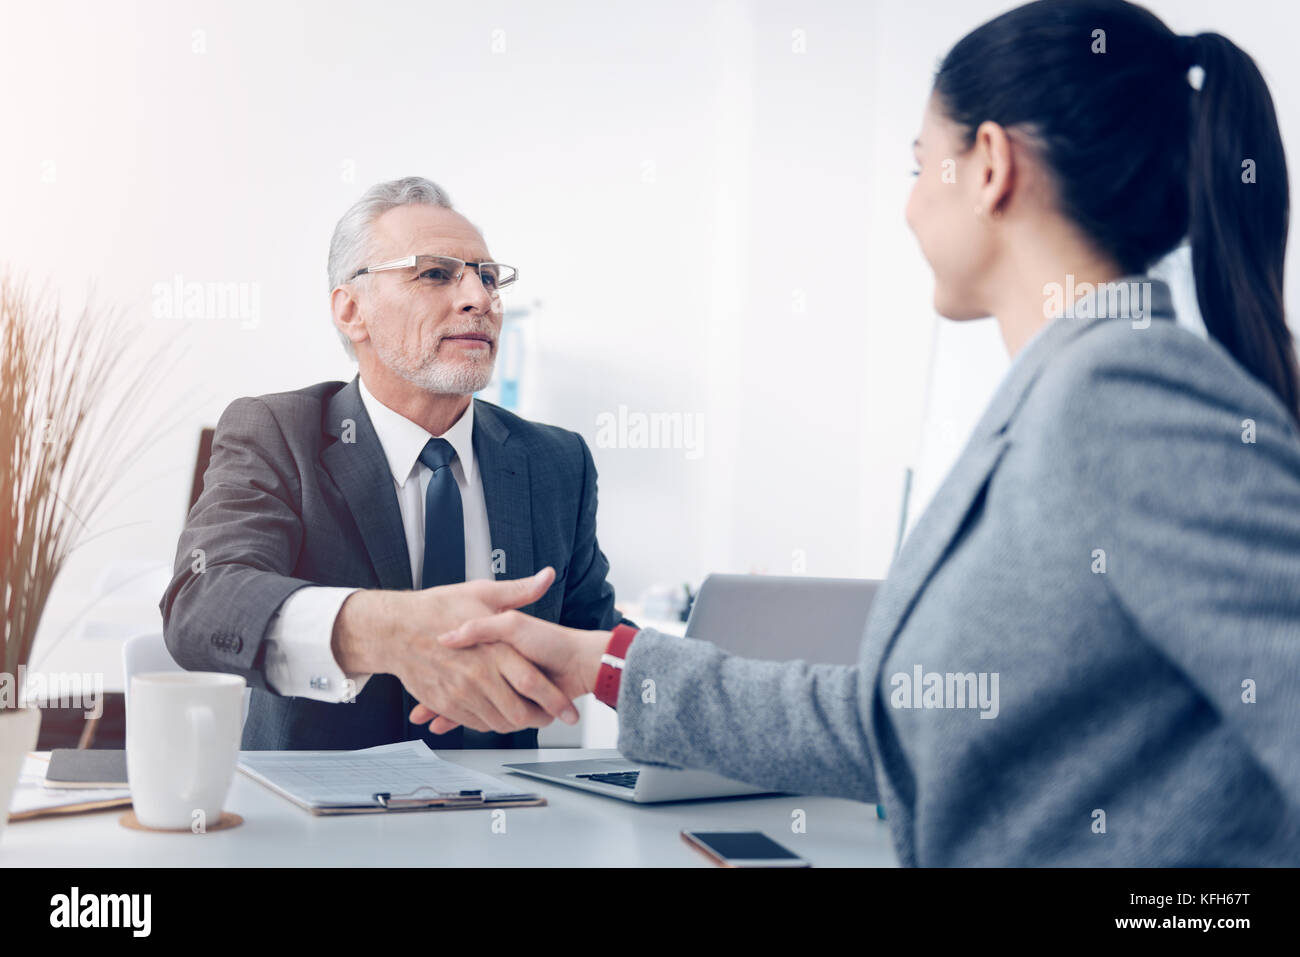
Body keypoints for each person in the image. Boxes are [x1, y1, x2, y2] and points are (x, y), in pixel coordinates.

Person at [430, 0, 1300, 864]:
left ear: (990, 166)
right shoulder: (1065, 394)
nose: (913, 206)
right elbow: (895, 723)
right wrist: (597, 662)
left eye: (923, 168)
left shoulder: (1124, 392)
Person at [160, 177, 629, 751]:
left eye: (487, 276)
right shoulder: (279, 433)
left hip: (509, 820)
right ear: (352, 310)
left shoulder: (556, 461)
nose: (479, 299)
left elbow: (592, 636)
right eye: (435, 273)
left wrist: (714, 684)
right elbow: (203, 604)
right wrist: (393, 632)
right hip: (319, 824)